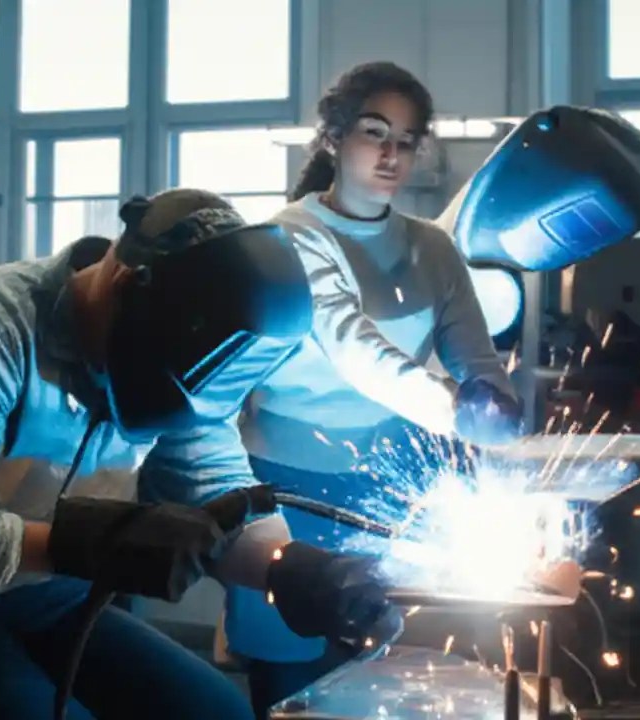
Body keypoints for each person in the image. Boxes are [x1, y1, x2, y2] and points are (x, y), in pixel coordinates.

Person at [0, 188, 403, 719]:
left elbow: (218, 502)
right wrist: (96, 540)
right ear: (128, 284)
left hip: (45, 601)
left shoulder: (189, 358)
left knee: (216, 713)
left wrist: (294, 570)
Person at [227, 61, 522, 717]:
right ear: (332, 137)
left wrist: (496, 408)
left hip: (386, 484)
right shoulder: (289, 237)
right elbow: (354, 346)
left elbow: (477, 355)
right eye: (374, 132)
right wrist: (455, 413)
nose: (392, 153)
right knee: (289, 691)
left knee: (387, 684)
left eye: (407, 139)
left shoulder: (432, 250)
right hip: (284, 490)